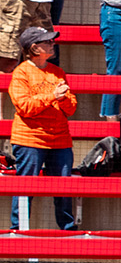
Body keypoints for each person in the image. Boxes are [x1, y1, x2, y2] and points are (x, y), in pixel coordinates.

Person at [7, 27, 76, 230]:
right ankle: (18, 229)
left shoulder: (57, 72)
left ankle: (68, 229)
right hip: (29, 139)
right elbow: (25, 107)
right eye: (48, 42)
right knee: (26, 186)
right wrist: (52, 97)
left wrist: (61, 99)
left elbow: (71, 107)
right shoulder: (21, 73)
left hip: (60, 139)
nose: (53, 44)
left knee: (63, 187)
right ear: (35, 48)